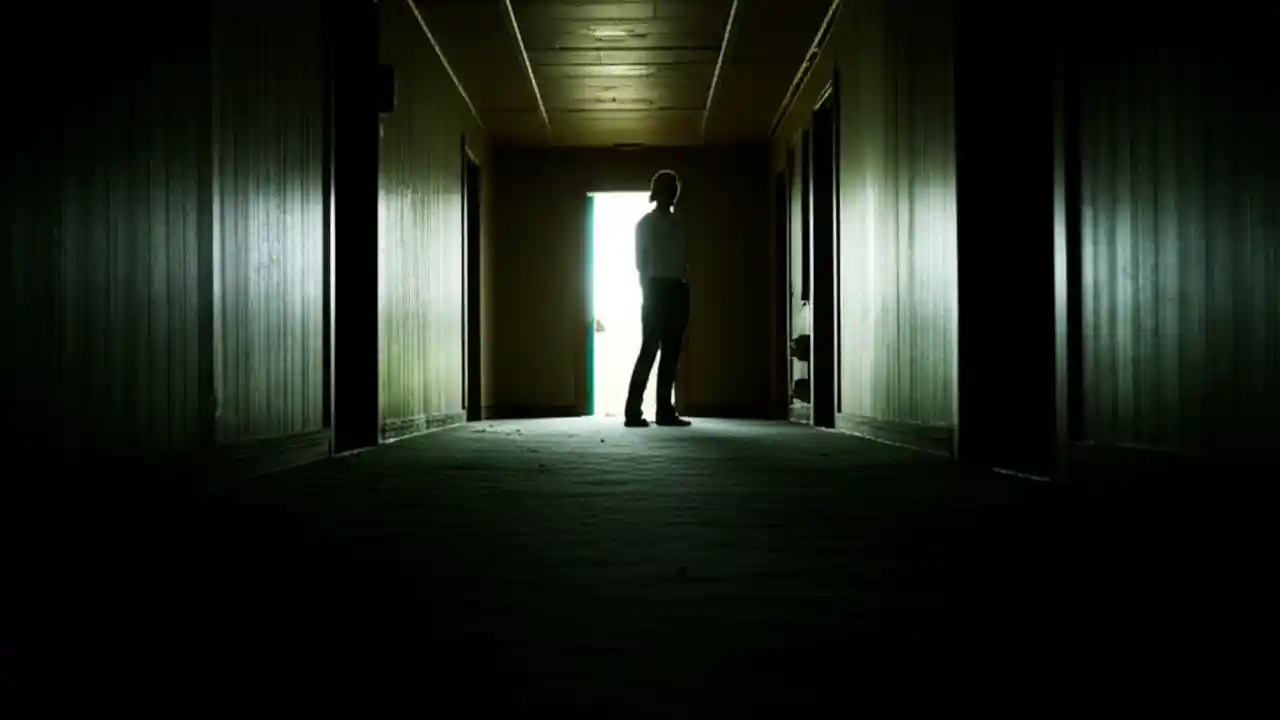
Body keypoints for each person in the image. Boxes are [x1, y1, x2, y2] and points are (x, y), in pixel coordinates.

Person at [624, 170, 692, 428]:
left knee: (672, 353)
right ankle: (633, 411)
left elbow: (683, 257)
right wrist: (648, 292)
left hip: (678, 287)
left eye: (674, 187)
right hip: (656, 288)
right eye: (668, 188)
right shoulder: (646, 223)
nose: (672, 192)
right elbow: (640, 262)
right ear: (657, 192)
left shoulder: (679, 223)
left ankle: (665, 410)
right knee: (650, 349)